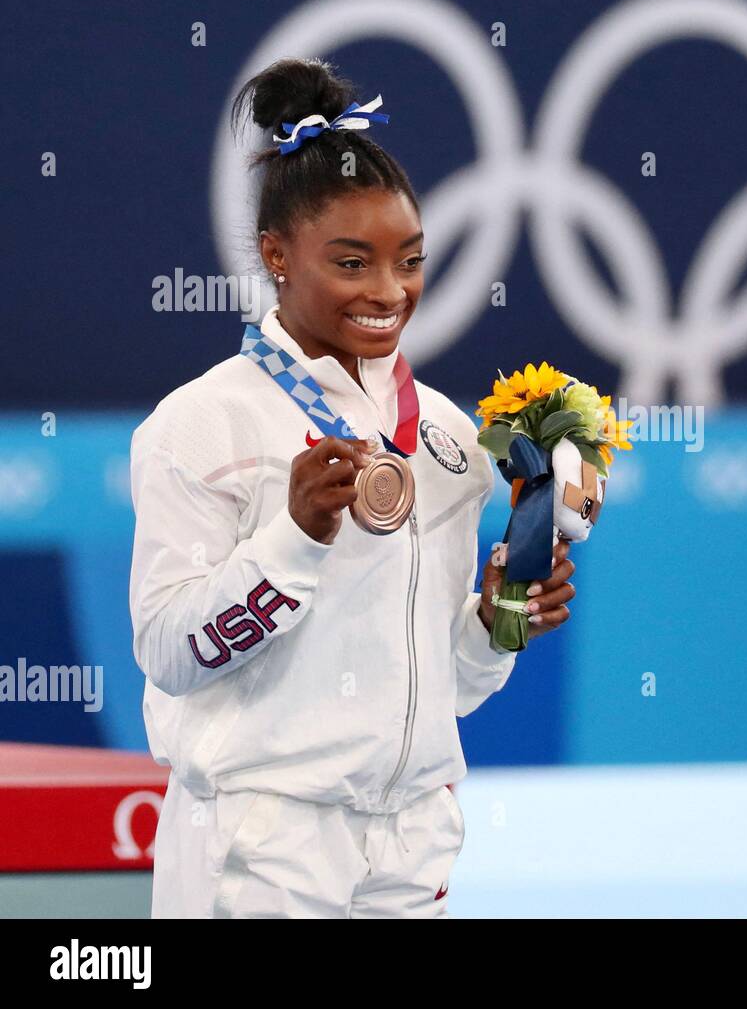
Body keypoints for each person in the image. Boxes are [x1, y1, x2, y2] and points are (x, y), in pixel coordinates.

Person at [128, 58, 575, 918]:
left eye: (408, 260)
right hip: (261, 844)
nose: (388, 291)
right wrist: (292, 538)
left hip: (410, 843)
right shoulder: (201, 426)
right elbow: (170, 654)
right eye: (351, 261)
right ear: (276, 256)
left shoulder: (447, 436)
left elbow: (450, 685)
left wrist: (493, 623)